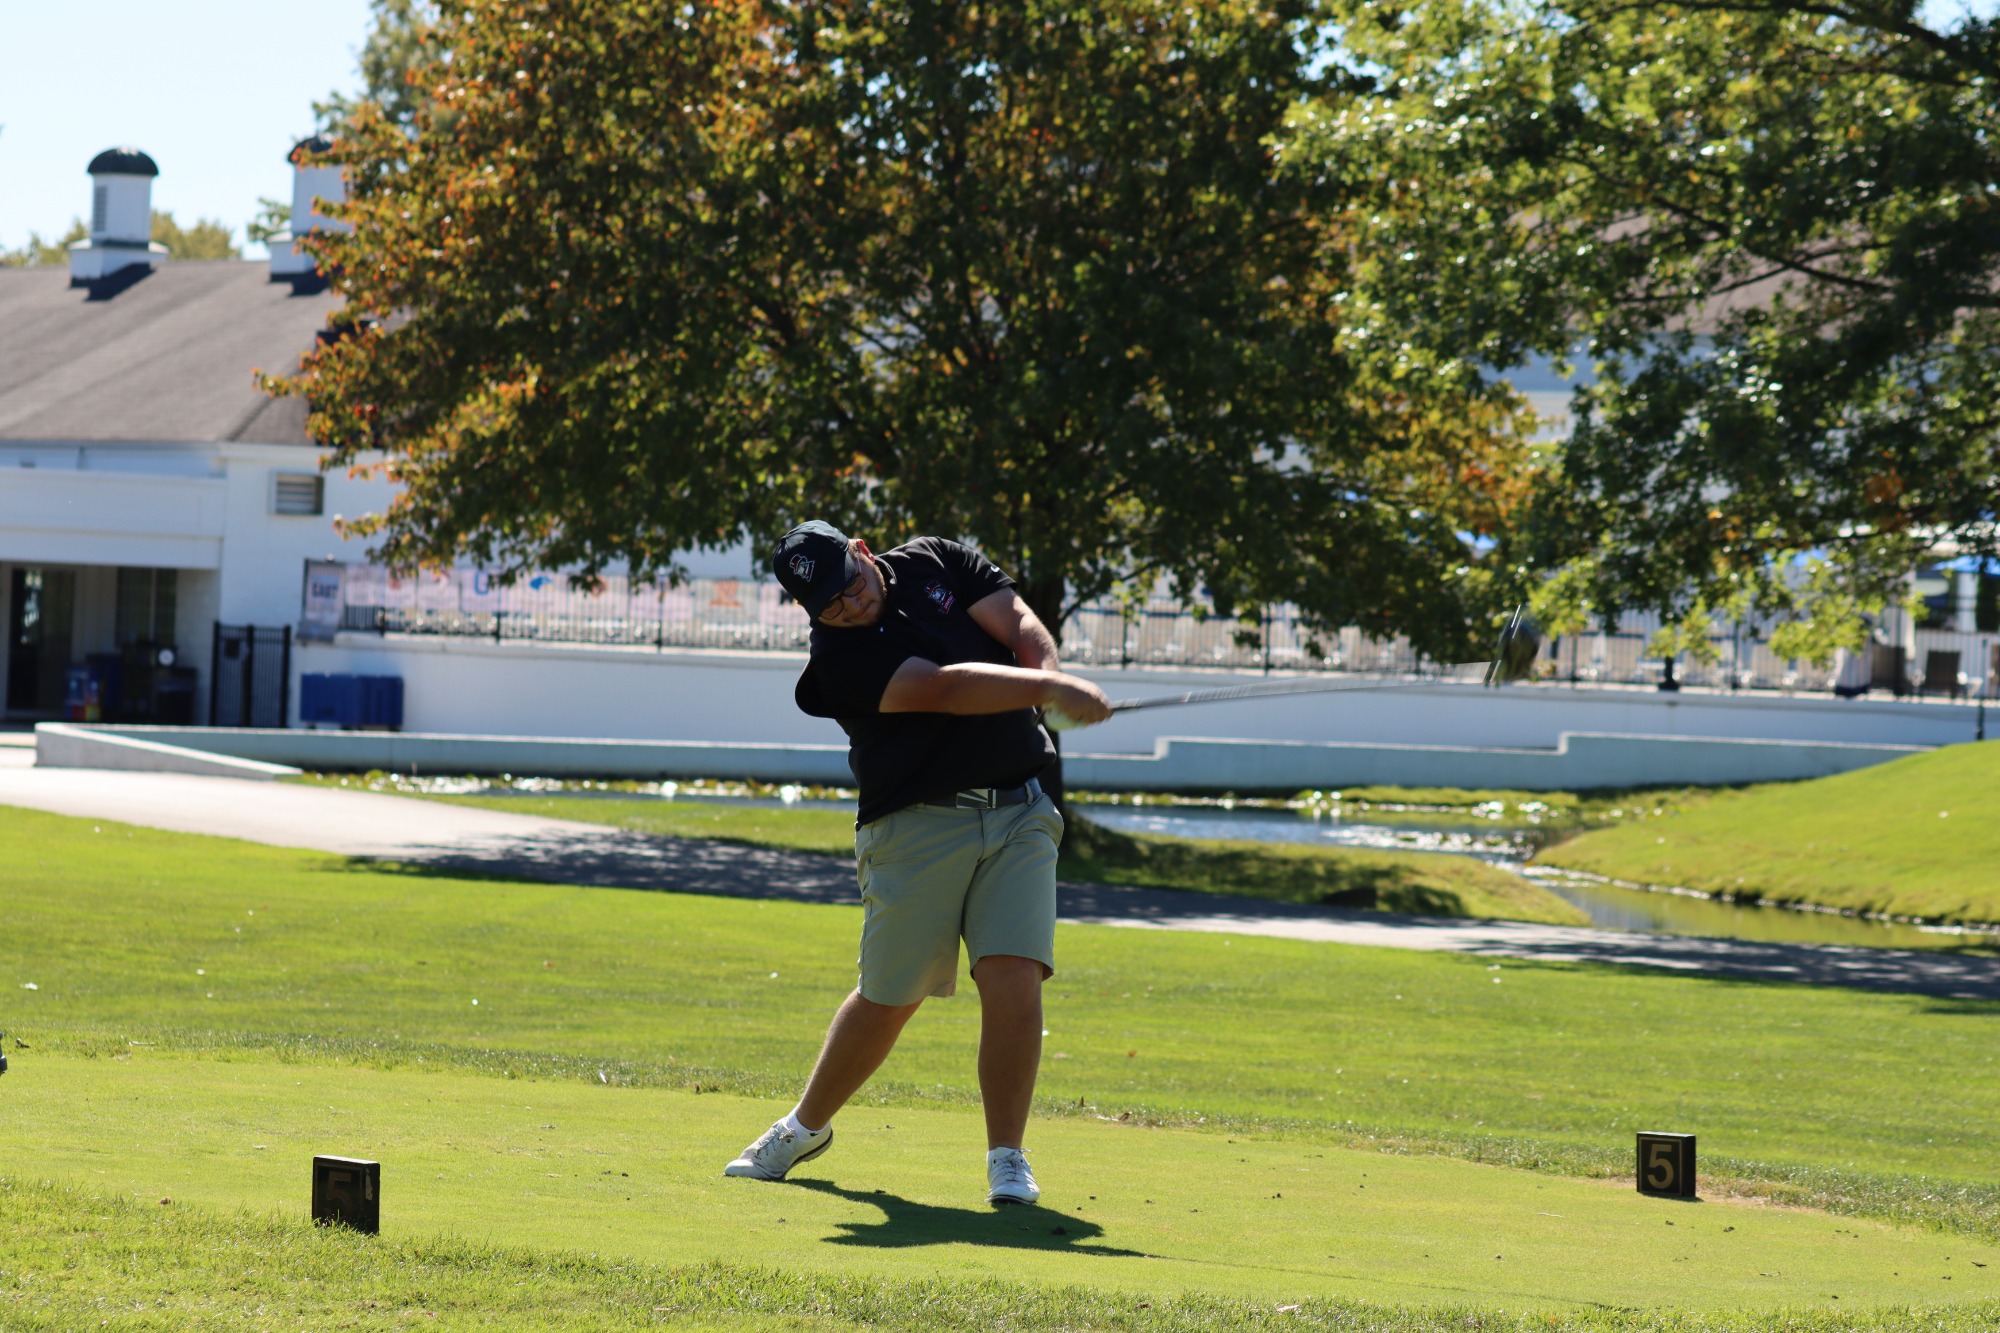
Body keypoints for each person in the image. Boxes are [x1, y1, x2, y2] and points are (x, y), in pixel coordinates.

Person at [722, 520, 1112, 1205]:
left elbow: (1017, 618)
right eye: (830, 605)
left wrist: (1048, 673)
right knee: (889, 998)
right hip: (915, 825)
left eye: (851, 584)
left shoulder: (939, 558)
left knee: (1014, 974)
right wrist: (1046, 693)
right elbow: (945, 689)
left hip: (1020, 806)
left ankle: (1007, 1157)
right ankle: (803, 1126)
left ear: (863, 552)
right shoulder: (835, 664)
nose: (850, 605)